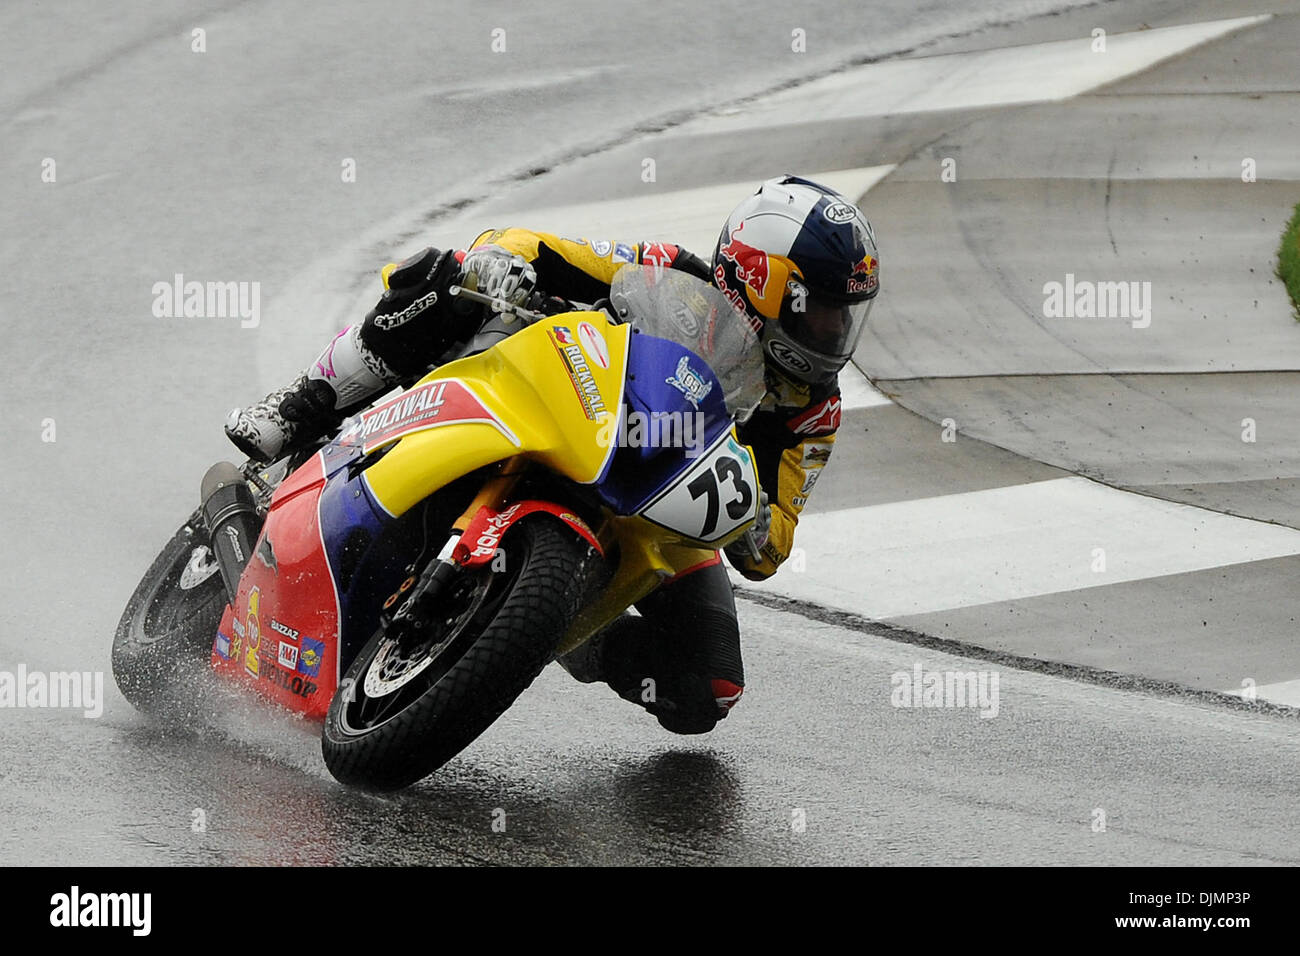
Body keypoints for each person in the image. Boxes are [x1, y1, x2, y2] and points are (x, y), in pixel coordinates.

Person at [225, 175, 880, 734]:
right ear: (764, 283)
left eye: (844, 318)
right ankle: (301, 406)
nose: (832, 334)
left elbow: (772, 546)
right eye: (821, 312)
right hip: (559, 400)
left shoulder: (812, 409)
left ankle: (557, 630)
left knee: (707, 686)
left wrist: (754, 519)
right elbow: (527, 246)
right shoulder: (669, 270)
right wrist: (507, 266)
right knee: (445, 280)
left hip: (656, 499)